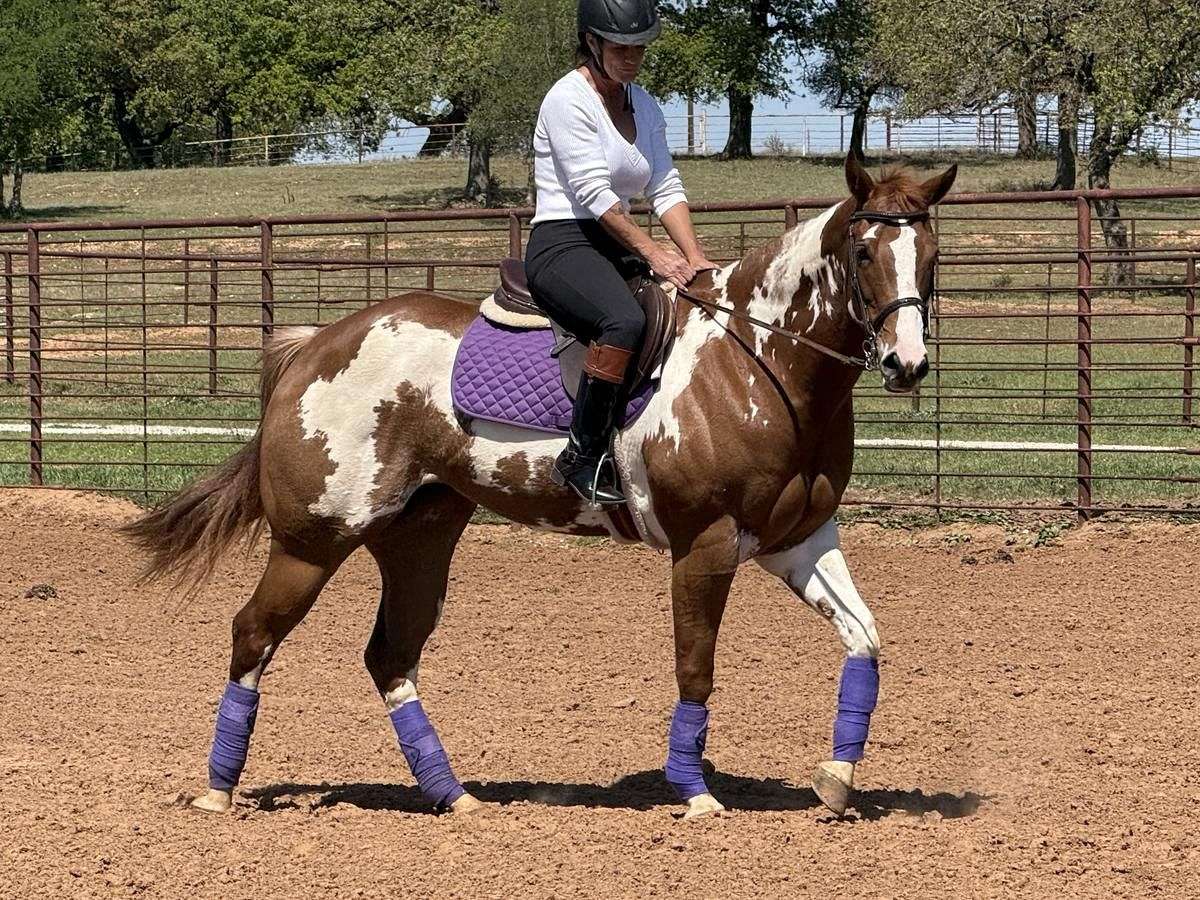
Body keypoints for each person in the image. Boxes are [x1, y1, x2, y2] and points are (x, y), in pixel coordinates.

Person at [525, 0, 717, 506]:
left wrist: (694, 257)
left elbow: (665, 183)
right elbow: (592, 193)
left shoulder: (645, 105)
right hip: (563, 243)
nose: (632, 58)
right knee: (622, 322)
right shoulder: (567, 100)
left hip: (615, 243)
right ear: (592, 43)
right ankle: (582, 456)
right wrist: (654, 252)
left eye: (639, 48)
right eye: (620, 48)